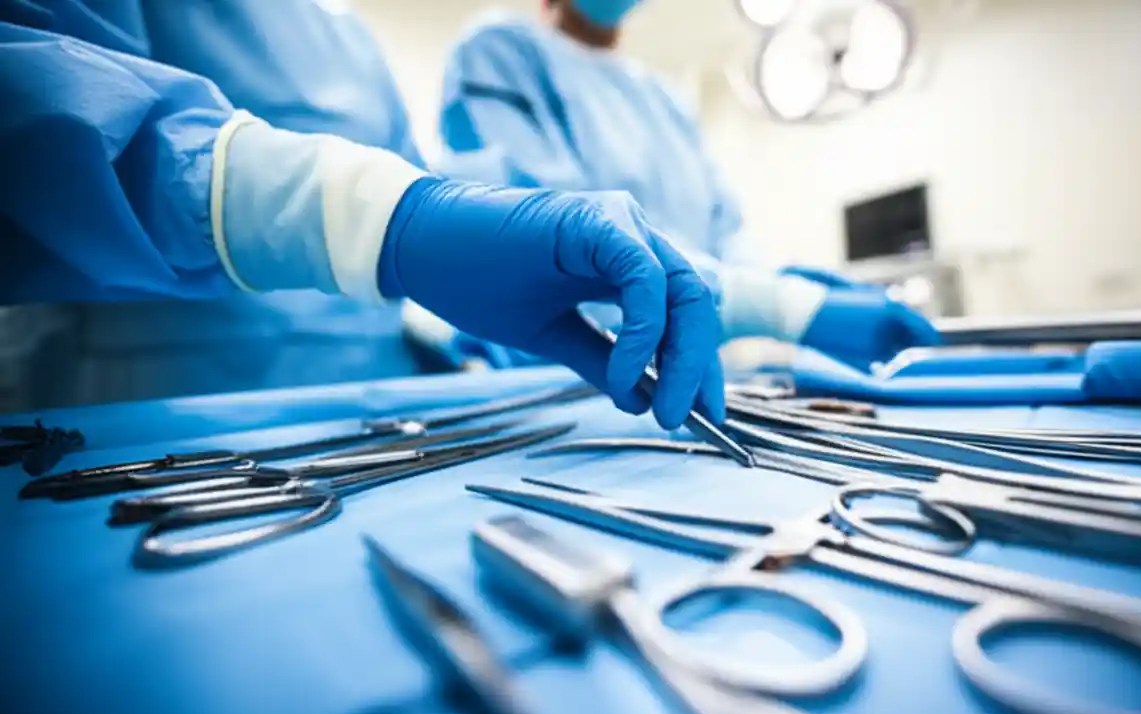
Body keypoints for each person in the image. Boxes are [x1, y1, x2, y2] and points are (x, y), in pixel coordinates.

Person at [0, 0, 723, 430]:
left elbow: (432, 227)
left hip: (369, 409)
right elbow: (35, 126)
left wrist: (453, 335)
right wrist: (367, 218)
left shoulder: (345, 34)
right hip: (155, 413)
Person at [435, 0, 939, 371]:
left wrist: (777, 283)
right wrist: (779, 306)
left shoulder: (663, 99)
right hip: (564, 381)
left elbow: (724, 228)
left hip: (694, 374)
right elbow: (544, 245)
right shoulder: (499, 53)